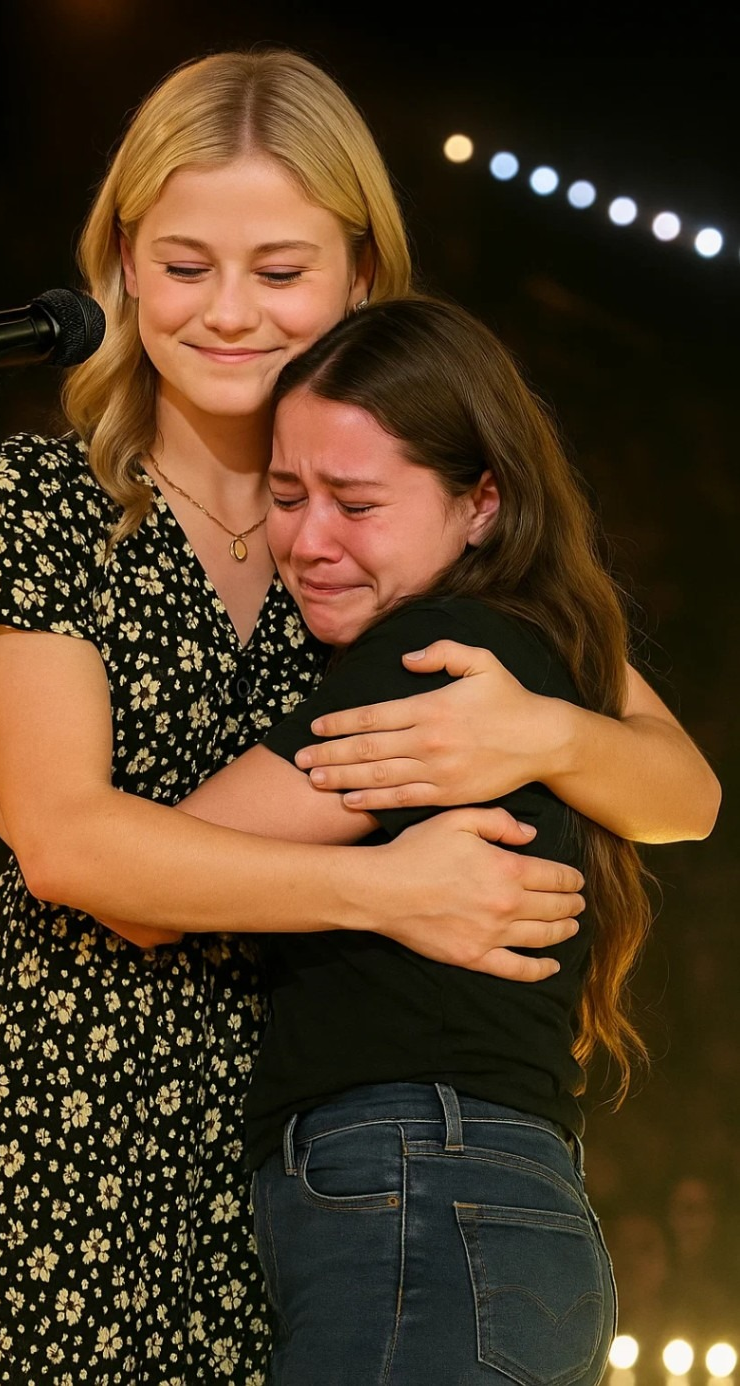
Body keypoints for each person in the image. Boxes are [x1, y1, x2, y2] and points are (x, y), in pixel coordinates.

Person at [0, 48, 719, 1386]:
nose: (228, 312)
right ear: (116, 262)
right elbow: (66, 846)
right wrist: (387, 890)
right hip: (75, 1129)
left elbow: (679, 793)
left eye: (279, 271)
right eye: (182, 265)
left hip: (324, 1151)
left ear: (359, 273)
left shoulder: (387, 525)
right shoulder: (45, 499)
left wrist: (543, 733)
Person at [171, 294, 716, 1383]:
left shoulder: (436, 650)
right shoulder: (530, 628)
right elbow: (687, 792)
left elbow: (165, 867)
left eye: (356, 504)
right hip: (482, 1199)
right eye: (285, 494)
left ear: (480, 505)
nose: (308, 538)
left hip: (418, 1190)